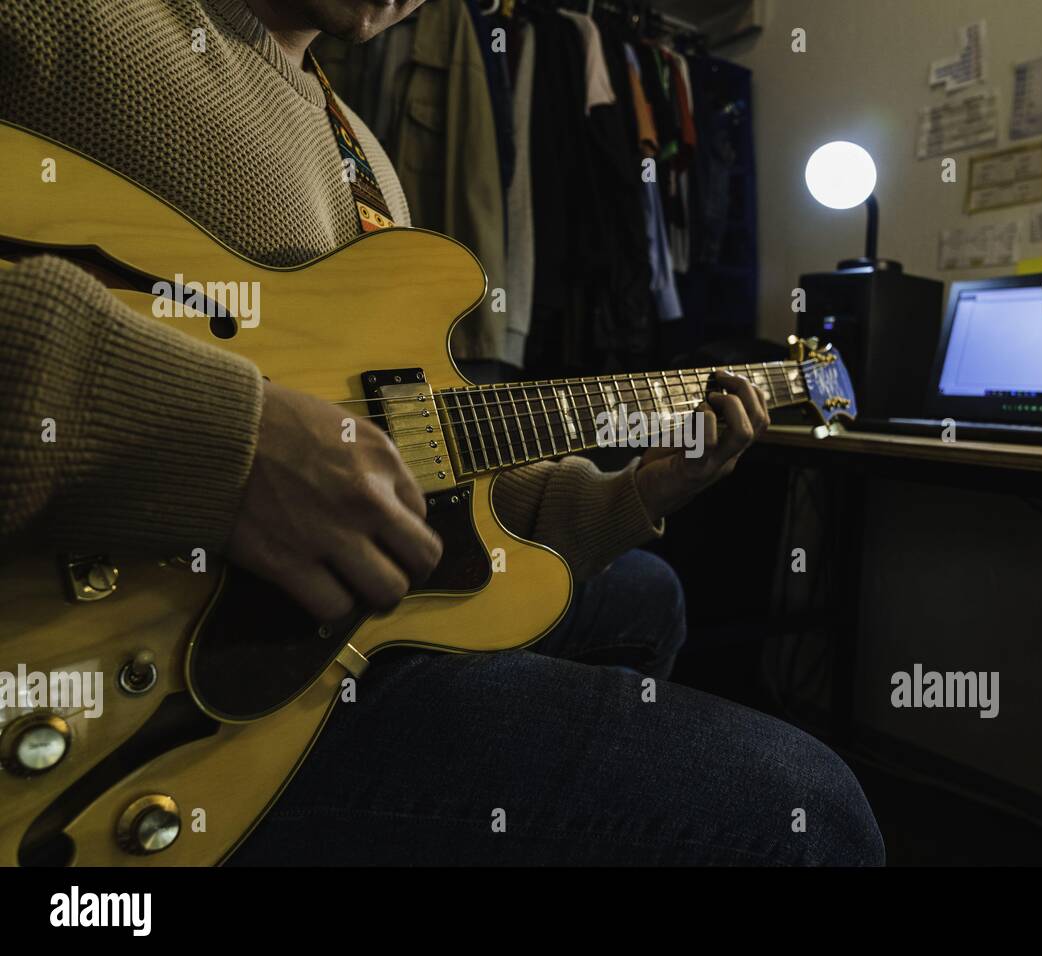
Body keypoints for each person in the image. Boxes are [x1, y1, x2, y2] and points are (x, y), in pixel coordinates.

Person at [0, 0, 884, 865]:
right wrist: (230, 441)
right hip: (120, 670)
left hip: (316, 636)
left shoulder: (365, 157)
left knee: (647, 590)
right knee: (814, 811)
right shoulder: (73, 21)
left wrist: (635, 493)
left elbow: (419, 451)